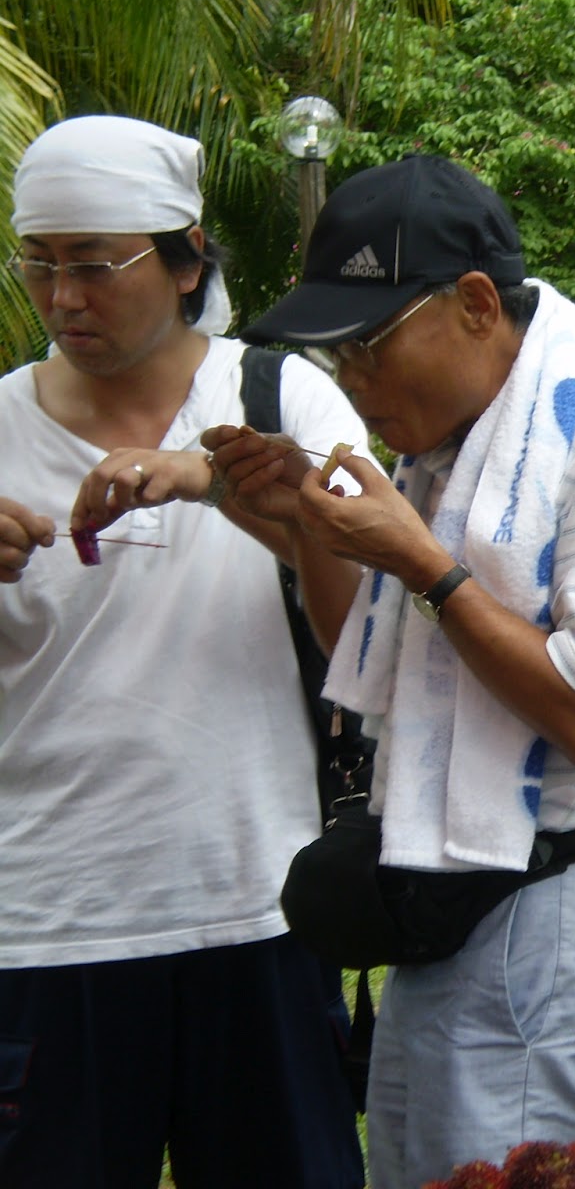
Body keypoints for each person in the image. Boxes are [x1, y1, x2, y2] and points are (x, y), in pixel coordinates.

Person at [221, 153, 575, 1186]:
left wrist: (427, 565)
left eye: (367, 346)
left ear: (476, 303)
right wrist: (315, 530)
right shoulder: (445, 460)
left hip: (556, 911)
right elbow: (376, 661)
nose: (350, 381)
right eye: (336, 355)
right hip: (449, 900)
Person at [0, 116, 367, 1186]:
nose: (64, 299)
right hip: (47, 927)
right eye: (38, 265)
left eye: (95, 266)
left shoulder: (278, 401)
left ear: (186, 255)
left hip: (258, 902)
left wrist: (254, 498)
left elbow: (368, 646)